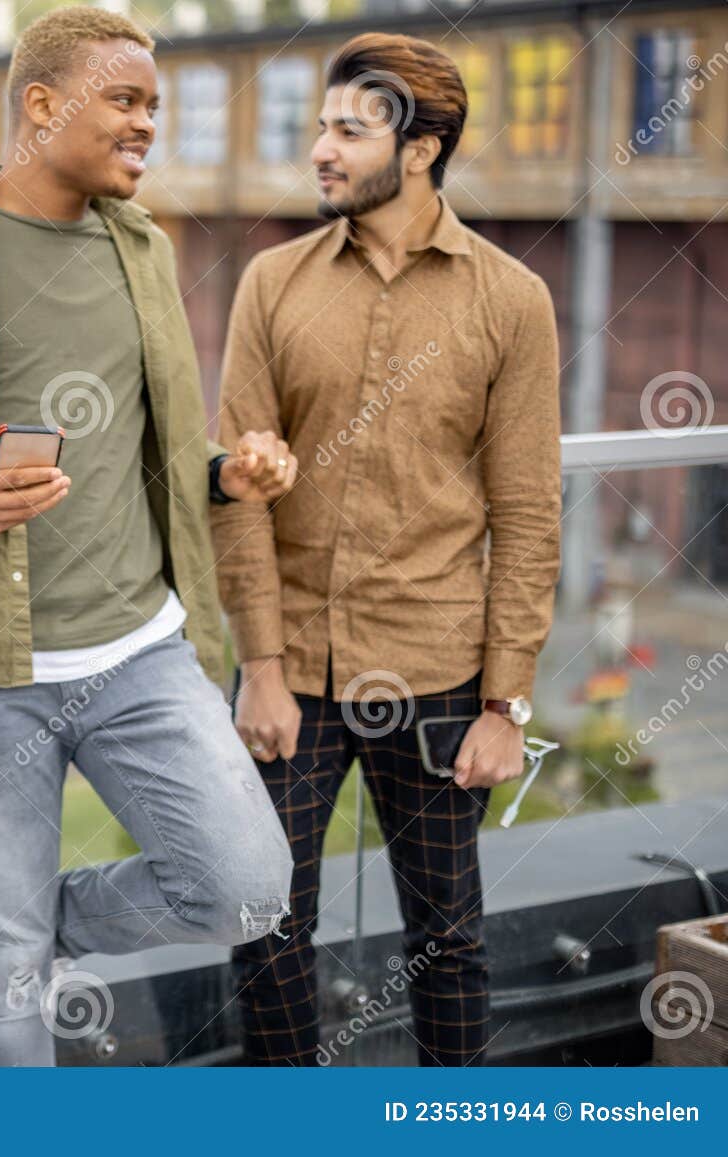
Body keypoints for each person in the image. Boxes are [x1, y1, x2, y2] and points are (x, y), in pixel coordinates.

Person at [0, 5, 296, 1066]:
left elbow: (155, 443)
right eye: (127, 100)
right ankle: (6, 938)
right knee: (4, 970)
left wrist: (224, 471)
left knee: (244, 888)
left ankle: (23, 919)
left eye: (155, 105)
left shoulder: (142, 245)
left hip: (140, 648)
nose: (150, 124)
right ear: (42, 106)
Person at [216, 33, 562, 1066]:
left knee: (449, 937)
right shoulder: (271, 282)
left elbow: (527, 507)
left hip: (438, 667)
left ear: (420, 148)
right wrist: (262, 671)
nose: (318, 148)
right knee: (266, 923)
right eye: (318, 126)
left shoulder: (510, 300)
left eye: (346, 130)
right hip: (293, 669)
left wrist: (505, 704)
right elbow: (236, 487)